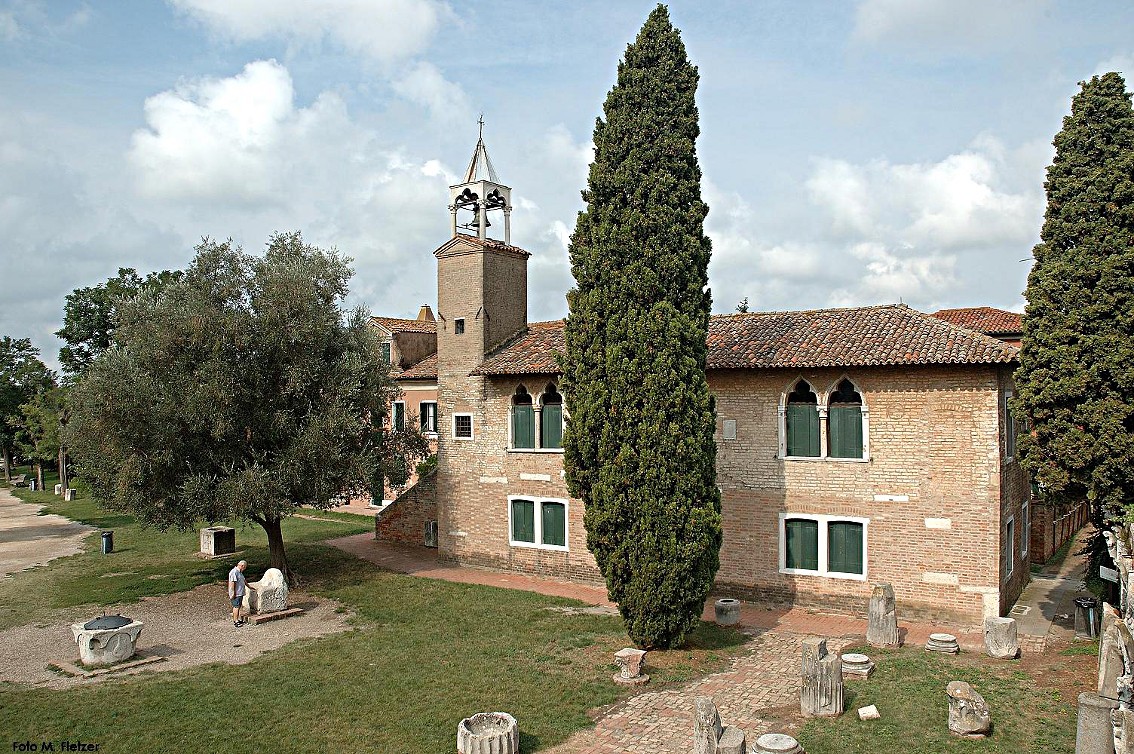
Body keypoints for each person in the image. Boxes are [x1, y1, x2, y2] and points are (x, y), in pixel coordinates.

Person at [228, 560, 248, 627]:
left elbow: (243, 580)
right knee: (236, 607)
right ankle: (235, 621)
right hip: (236, 593)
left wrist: (249, 586)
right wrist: (233, 593)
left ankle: (237, 619)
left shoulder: (240, 572)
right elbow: (232, 583)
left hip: (240, 592)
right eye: (244, 567)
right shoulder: (234, 572)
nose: (244, 569)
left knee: (238, 606)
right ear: (242, 566)